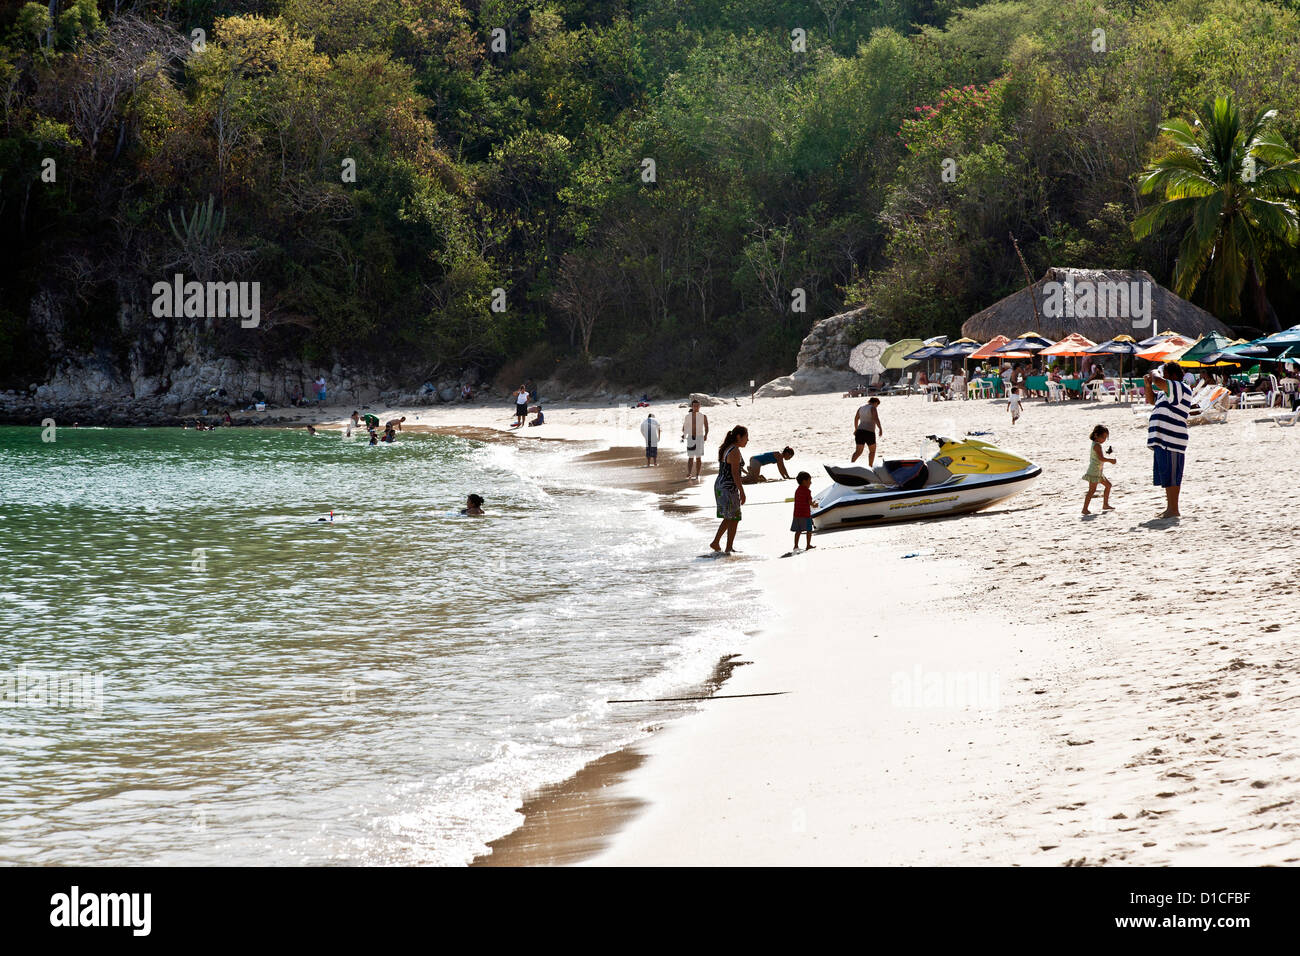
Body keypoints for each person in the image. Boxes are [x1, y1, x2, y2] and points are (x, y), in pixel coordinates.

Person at [1144, 362, 1191, 519]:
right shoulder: (1167, 392)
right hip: (1163, 439)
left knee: (1172, 476)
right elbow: (1151, 400)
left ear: (1172, 376)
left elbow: (1158, 381)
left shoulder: (1180, 387)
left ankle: (1174, 509)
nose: (1163, 377)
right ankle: (1170, 508)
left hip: (1172, 439)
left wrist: (1154, 372)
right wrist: (1147, 385)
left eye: (1165, 374)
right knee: (1167, 476)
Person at [710, 426, 748, 553]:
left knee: (729, 517)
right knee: (734, 517)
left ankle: (718, 543)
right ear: (739, 437)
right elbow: (734, 473)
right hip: (728, 487)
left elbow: (733, 468)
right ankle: (726, 546)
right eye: (746, 437)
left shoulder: (728, 448)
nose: (748, 440)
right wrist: (742, 491)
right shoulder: (734, 450)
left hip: (720, 485)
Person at [1081, 425, 1116, 515]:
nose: (1104, 439)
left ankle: (1105, 504)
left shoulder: (1097, 445)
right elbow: (1101, 458)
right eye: (1103, 437)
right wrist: (1110, 460)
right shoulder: (1097, 446)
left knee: (1108, 485)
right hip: (1094, 471)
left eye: (1105, 438)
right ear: (1096, 435)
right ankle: (1084, 509)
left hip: (1098, 471)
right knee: (1091, 491)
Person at [681, 400, 709, 481]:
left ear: (700, 406)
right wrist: (684, 434)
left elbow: (706, 427)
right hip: (690, 437)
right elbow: (684, 428)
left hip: (700, 437)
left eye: (697, 405)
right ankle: (689, 473)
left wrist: (706, 435)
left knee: (698, 457)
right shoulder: (688, 416)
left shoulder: (703, 416)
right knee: (690, 457)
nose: (696, 407)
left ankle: (697, 474)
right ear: (692, 406)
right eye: (694, 406)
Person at [791, 471, 817, 551]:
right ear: (804, 481)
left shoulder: (797, 490)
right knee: (809, 530)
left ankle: (796, 546)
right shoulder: (807, 491)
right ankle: (808, 545)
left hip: (797, 514)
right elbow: (810, 503)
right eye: (809, 481)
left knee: (798, 531)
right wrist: (814, 505)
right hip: (805, 514)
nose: (811, 483)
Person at [852, 397, 883, 464]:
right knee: (872, 451)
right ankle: (870, 467)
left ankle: (851, 464)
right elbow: (876, 418)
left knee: (858, 452)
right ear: (875, 403)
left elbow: (856, 418)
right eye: (877, 405)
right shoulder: (872, 408)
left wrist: (856, 429)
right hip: (869, 432)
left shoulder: (861, 408)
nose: (876, 407)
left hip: (860, 431)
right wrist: (880, 428)